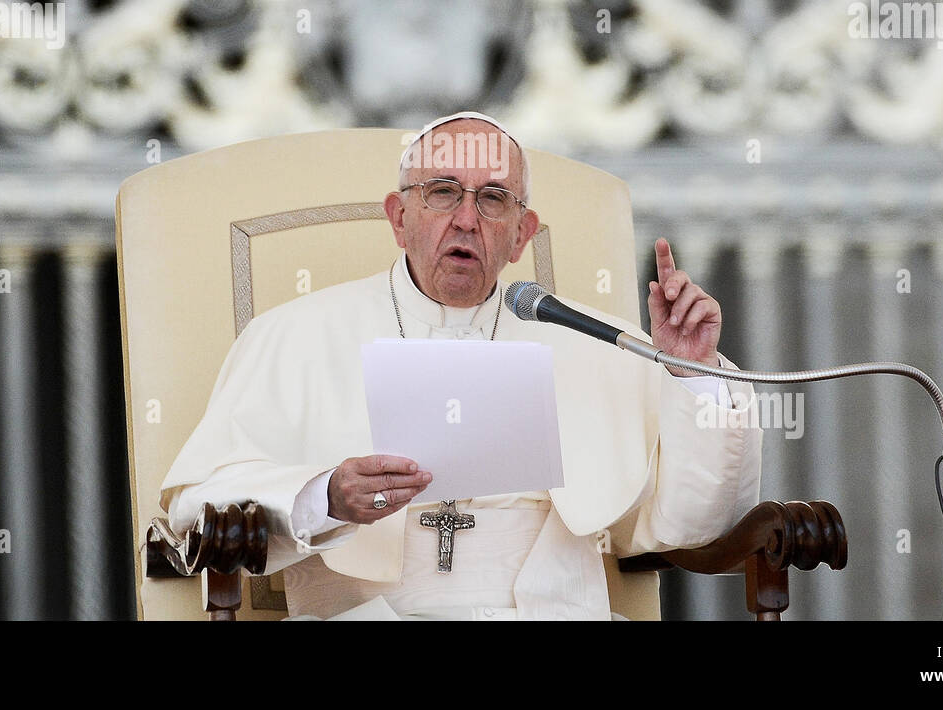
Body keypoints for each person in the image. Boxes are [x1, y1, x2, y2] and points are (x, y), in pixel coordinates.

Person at [161, 112, 762, 619]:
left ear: (522, 236)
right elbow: (197, 507)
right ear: (399, 218)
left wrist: (693, 374)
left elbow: (698, 524)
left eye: (494, 199)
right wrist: (325, 497)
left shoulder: (596, 341)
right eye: (443, 191)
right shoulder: (294, 335)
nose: (468, 219)